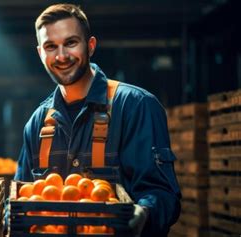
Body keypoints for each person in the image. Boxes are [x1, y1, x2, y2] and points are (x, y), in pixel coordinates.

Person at [14, 4, 181, 236]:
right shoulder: (38, 123)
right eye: (51, 46)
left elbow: (162, 194)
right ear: (40, 53)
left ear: (90, 46)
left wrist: (144, 213)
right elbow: (22, 197)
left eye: (71, 43)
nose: (61, 56)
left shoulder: (136, 106)